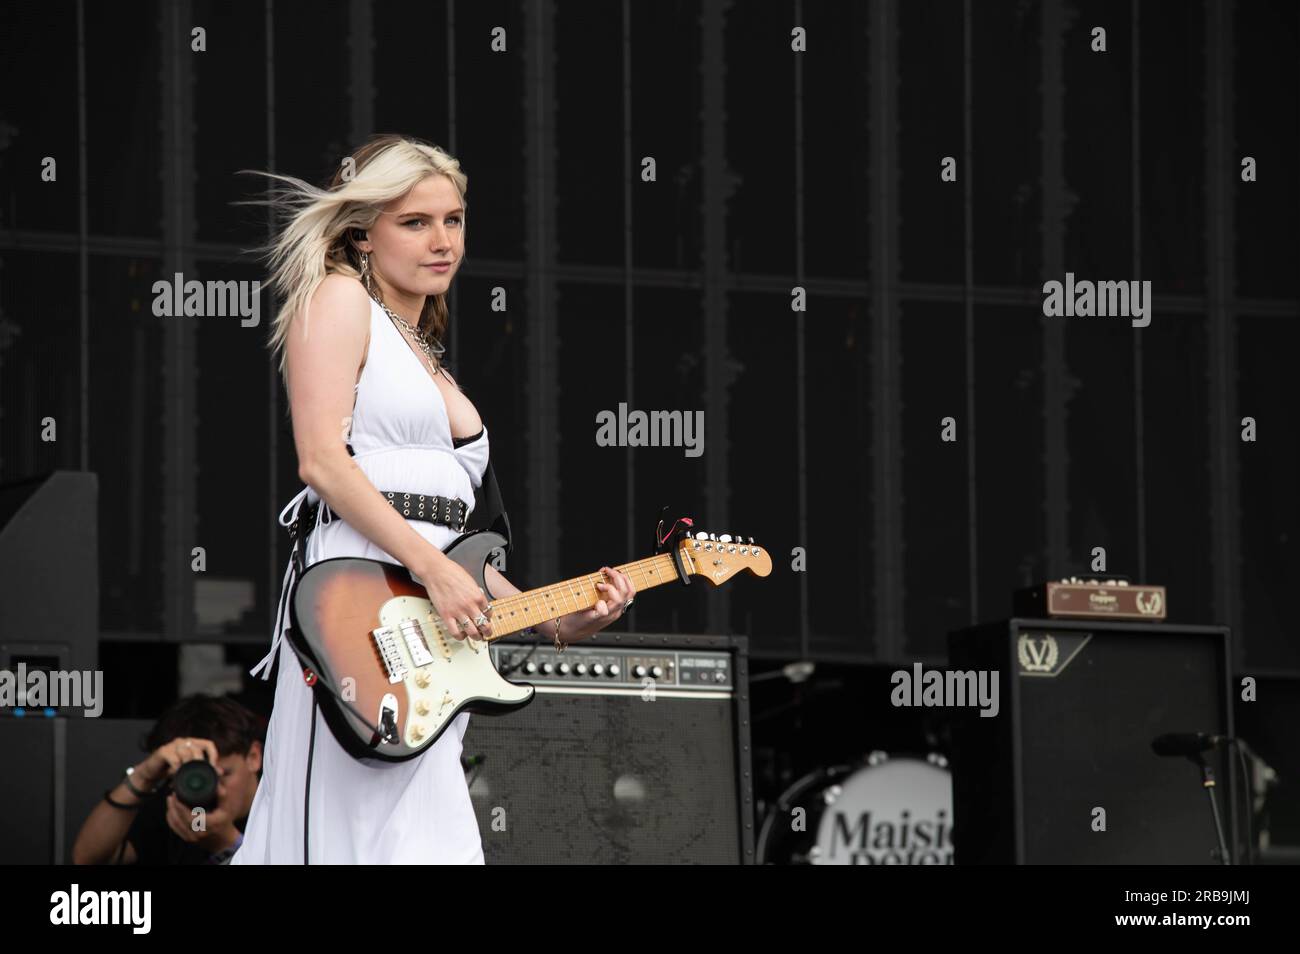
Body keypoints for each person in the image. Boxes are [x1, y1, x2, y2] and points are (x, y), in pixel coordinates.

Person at [232, 134, 636, 864]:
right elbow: (322, 461)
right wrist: (435, 569)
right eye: (415, 222)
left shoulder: (426, 353)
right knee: (339, 831)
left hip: (429, 622)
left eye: (452, 220)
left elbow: (459, 547)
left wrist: (553, 619)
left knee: (429, 836)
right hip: (358, 592)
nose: (442, 240)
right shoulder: (338, 297)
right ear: (362, 230)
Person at [71, 694, 264, 865]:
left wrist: (226, 843)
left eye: (221, 775)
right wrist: (143, 777)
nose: (212, 789)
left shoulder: (280, 808)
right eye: (195, 778)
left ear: (253, 757)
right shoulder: (174, 804)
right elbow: (87, 859)